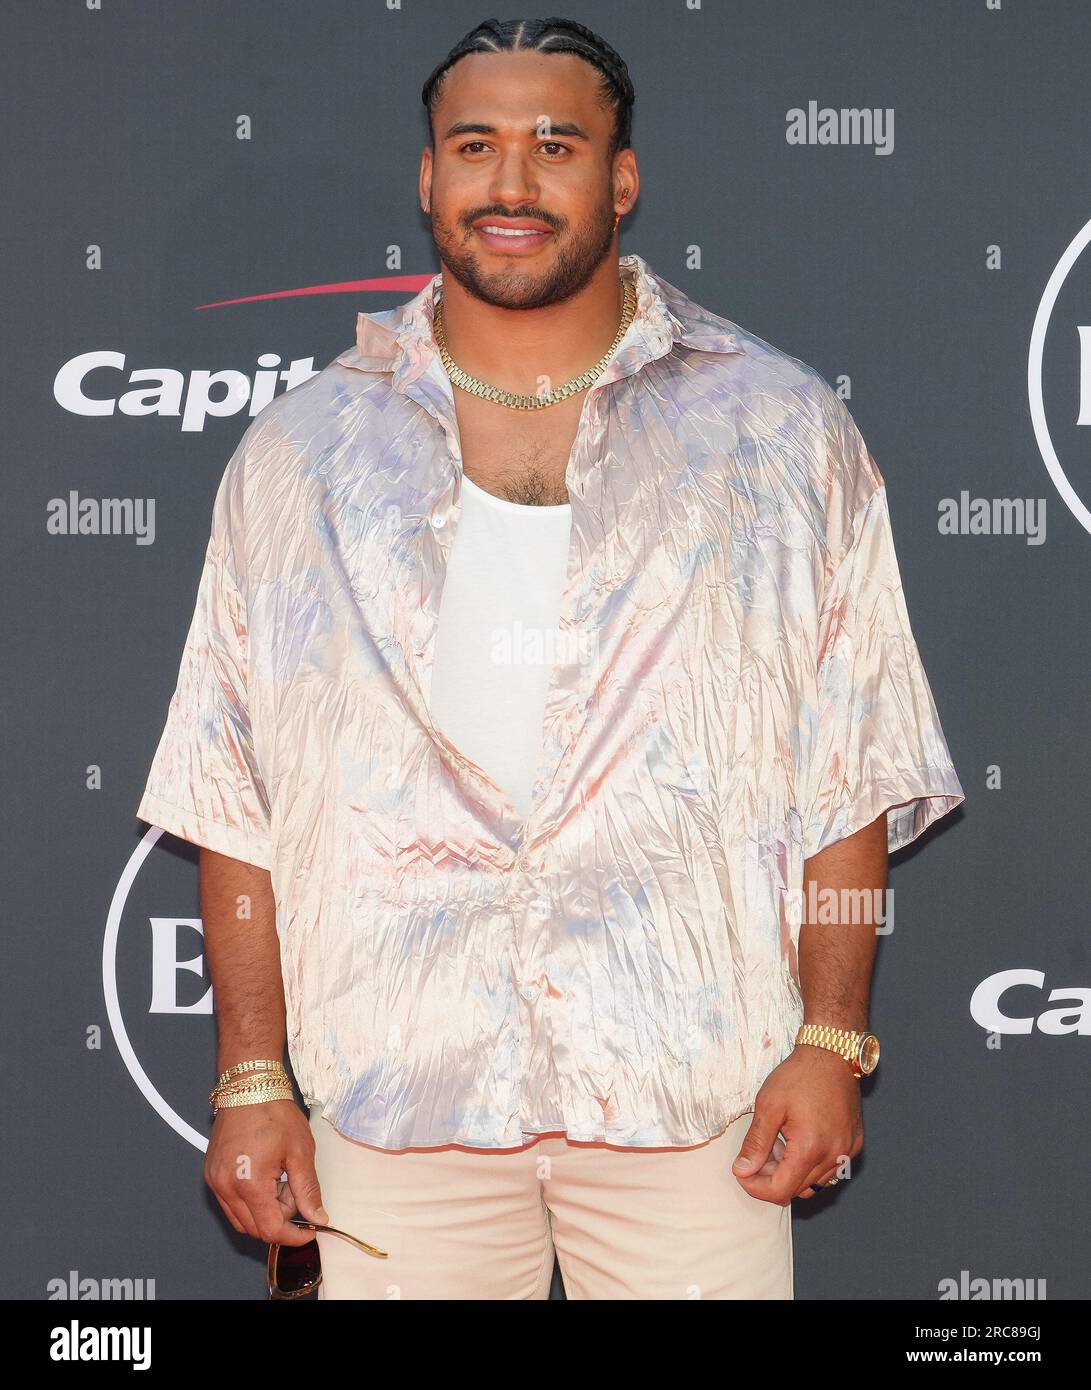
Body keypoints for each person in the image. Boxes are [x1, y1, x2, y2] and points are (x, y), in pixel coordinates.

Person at [137, 16, 965, 1300]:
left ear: (620, 182)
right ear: (428, 180)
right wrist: (252, 1076)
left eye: (553, 145)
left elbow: (849, 762)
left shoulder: (778, 430)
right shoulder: (302, 451)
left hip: (693, 1102)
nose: (510, 183)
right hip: (397, 1100)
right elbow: (228, 788)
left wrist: (830, 1037)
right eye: (474, 146)